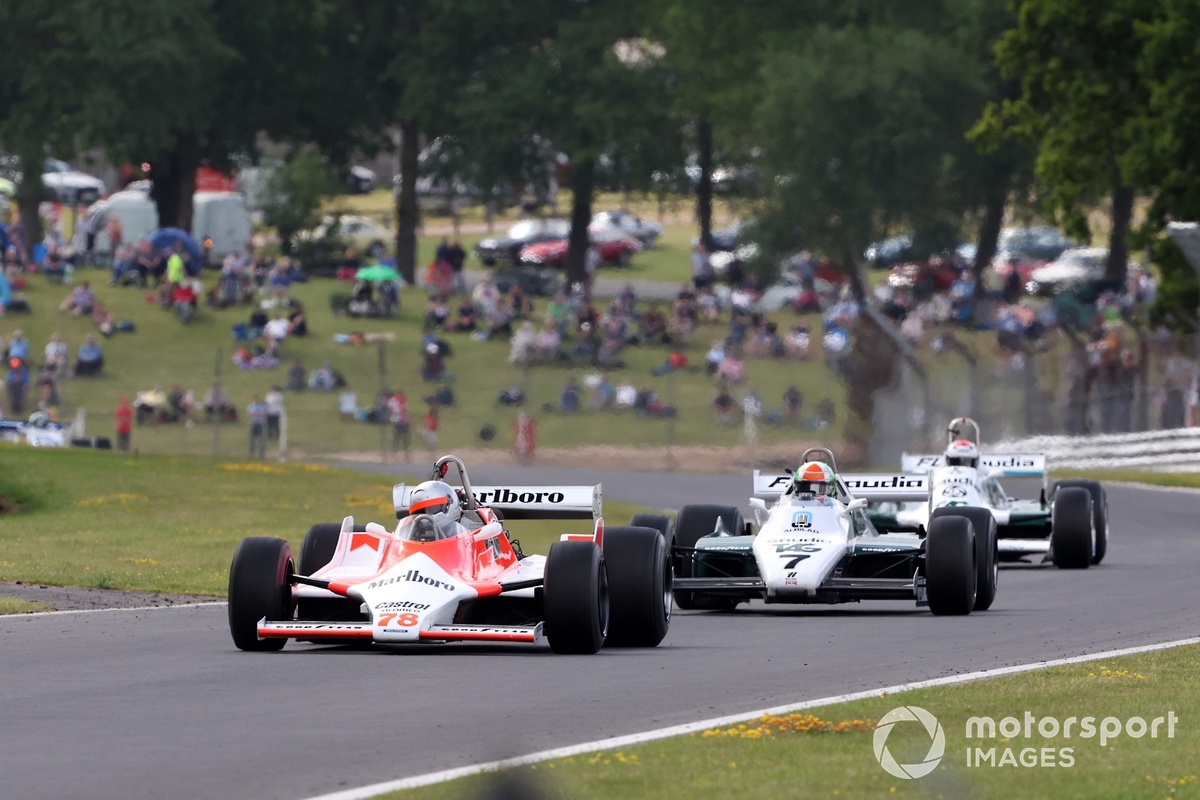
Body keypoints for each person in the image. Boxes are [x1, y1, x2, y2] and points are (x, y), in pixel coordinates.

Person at [388, 388, 411, 459]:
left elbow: (391, 411)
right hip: (400, 420)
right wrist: (406, 418)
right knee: (404, 437)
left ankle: (394, 452)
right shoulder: (400, 400)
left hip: (395, 420)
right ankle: (405, 452)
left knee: (397, 436)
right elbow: (403, 410)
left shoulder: (391, 401)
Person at [246, 394, 267, 458]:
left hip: (260, 424)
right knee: (252, 440)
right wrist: (257, 415)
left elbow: (263, 414)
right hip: (253, 424)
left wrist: (256, 415)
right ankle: (251, 454)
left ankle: (261, 454)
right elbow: (250, 414)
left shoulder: (263, 406)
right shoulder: (251, 406)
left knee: (261, 440)